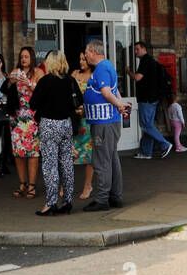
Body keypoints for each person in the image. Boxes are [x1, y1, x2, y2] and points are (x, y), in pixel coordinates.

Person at [30, 50, 80, 215]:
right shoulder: (70, 80)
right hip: (66, 124)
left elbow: (33, 103)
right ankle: (67, 201)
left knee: (50, 165)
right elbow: (78, 101)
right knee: (66, 164)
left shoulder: (45, 81)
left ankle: (51, 203)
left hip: (49, 125)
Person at [82, 38, 130, 212]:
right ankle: (115, 196)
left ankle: (102, 199)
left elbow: (106, 92)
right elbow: (114, 90)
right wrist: (121, 104)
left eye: (87, 51)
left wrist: (118, 105)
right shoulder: (108, 66)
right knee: (111, 158)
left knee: (101, 160)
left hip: (103, 122)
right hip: (108, 121)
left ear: (94, 52)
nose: (85, 55)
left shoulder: (101, 68)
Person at [3, 46, 41, 198]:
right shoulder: (14, 71)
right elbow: (5, 90)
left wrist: (28, 82)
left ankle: (32, 185)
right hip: (17, 117)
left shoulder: (38, 72)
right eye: (21, 57)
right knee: (18, 152)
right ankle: (22, 182)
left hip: (32, 116)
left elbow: (41, 91)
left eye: (26, 56)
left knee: (32, 152)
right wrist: (10, 82)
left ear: (32, 58)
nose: (23, 59)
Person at [130, 41, 172, 160]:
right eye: (135, 49)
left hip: (146, 99)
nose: (135, 52)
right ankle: (146, 152)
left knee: (146, 125)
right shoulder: (152, 61)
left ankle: (165, 144)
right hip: (153, 98)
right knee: (148, 125)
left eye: (137, 49)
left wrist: (128, 72)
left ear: (144, 49)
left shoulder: (145, 60)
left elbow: (138, 77)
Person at [72, 52, 95, 198]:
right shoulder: (74, 74)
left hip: (88, 120)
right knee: (69, 153)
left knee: (89, 155)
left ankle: (88, 186)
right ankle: (65, 184)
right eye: (79, 59)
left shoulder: (94, 76)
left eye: (84, 59)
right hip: (74, 120)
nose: (81, 62)